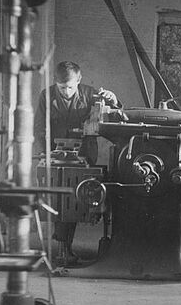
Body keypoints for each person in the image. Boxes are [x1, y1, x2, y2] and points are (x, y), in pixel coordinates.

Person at [33, 60, 119, 265]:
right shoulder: (47, 95)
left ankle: (64, 245)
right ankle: (63, 245)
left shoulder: (90, 94)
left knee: (75, 196)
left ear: (79, 80)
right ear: (55, 83)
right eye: (62, 88)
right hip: (55, 153)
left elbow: (115, 115)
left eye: (70, 87)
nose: (66, 92)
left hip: (84, 153)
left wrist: (113, 100)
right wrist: (42, 154)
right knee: (59, 197)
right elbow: (38, 128)